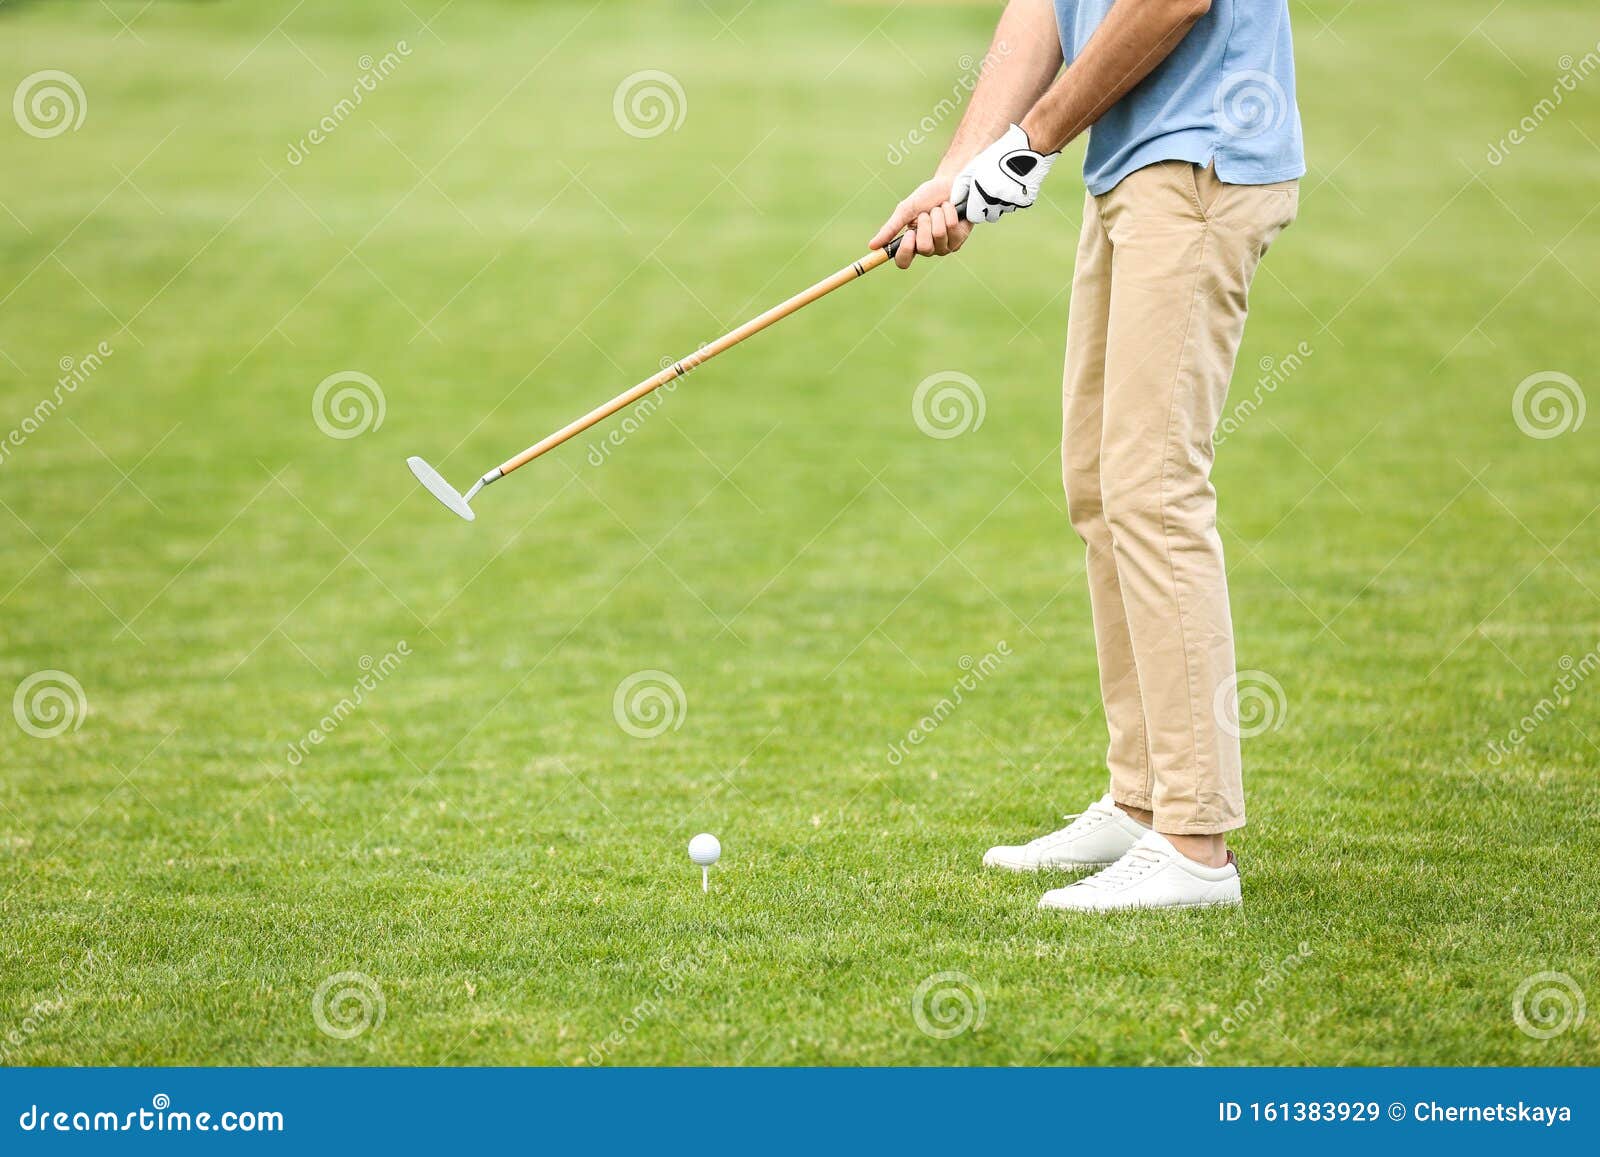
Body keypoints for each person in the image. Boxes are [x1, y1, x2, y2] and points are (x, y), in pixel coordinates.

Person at [872, 0, 1304, 912]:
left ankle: (1195, 846)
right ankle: (1144, 798)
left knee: (1153, 490)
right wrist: (959, 171)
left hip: (1202, 157)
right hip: (1133, 170)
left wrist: (1027, 145)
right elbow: (1044, 8)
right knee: (1100, 489)